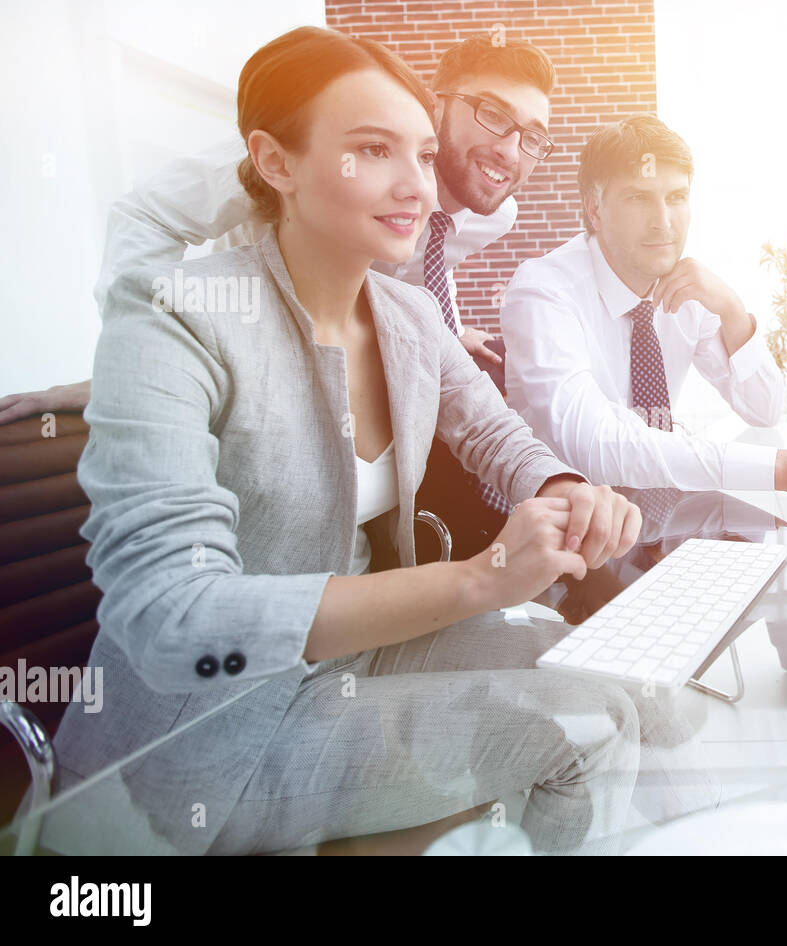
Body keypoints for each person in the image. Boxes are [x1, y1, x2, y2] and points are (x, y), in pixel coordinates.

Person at [43, 26, 646, 856]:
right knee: (579, 725)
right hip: (207, 738)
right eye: (372, 150)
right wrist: (477, 581)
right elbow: (172, 616)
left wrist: (560, 487)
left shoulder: (409, 313)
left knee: (578, 662)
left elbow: (493, 429)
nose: (418, 187)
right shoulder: (174, 314)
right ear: (276, 162)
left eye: (424, 156)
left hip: (351, 665)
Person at [0, 34, 552, 548]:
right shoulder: (304, 154)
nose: (510, 150)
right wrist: (140, 362)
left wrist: (448, 333)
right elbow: (149, 215)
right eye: (493, 115)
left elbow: (428, 263)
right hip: (254, 359)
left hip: (357, 369)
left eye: (532, 137)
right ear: (437, 104)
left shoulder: (493, 216)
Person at [501, 115, 787, 504]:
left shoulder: (687, 290)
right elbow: (594, 446)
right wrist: (786, 469)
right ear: (595, 209)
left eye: (677, 196)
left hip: (656, 516)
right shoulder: (543, 291)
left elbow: (764, 410)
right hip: (559, 539)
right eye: (638, 198)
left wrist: (733, 310)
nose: (663, 221)